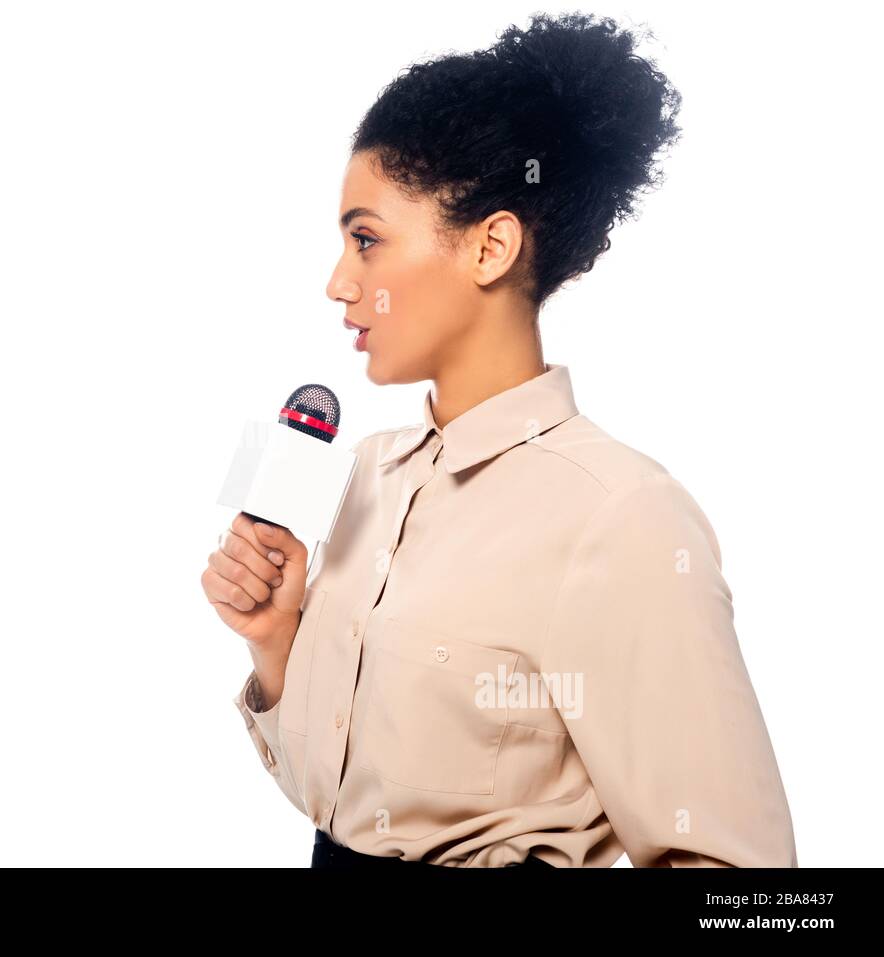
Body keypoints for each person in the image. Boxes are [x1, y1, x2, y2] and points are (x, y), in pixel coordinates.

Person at [202, 12, 797, 868]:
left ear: (490, 246)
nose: (339, 283)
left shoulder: (623, 518)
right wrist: (275, 637)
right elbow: (343, 811)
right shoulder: (371, 471)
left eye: (366, 239)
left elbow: (748, 888)